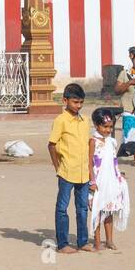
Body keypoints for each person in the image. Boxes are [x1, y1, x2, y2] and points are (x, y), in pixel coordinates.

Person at [48, 83, 91, 254]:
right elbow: (51, 145)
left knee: (82, 208)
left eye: (81, 102)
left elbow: (89, 144)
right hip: (66, 171)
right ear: (65, 100)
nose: (78, 106)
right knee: (62, 208)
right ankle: (63, 243)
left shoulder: (85, 120)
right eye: (75, 102)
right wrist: (57, 166)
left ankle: (82, 241)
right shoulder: (60, 121)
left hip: (83, 172)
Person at [88, 108, 129, 252]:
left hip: (111, 181)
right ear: (96, 125)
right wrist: (92, 181)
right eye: (105, 127)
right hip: (98, 182)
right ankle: (97, 242)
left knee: (109, 212)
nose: (108, 130)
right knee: (97, 213)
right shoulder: (92, 141)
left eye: (110, 127)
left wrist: (119, 175)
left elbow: (114, 161)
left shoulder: (112, 141)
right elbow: (89, 162)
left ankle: (110, 240)